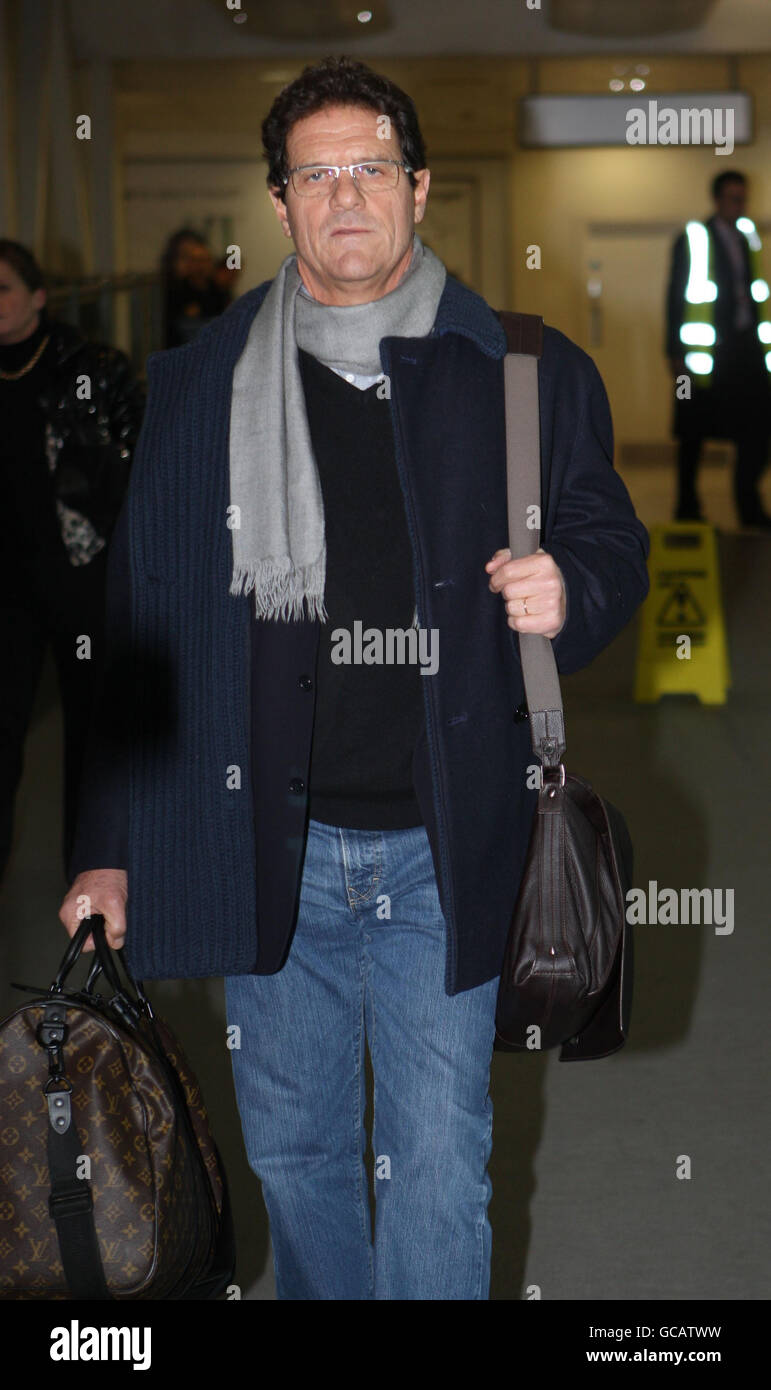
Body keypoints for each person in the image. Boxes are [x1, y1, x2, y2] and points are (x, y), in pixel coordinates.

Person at [59, 56, 649, 1300]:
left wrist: (574, 587)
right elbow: (138, 630)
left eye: (370, 167)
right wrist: (105, 848)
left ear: (418, 187)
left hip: (449, 837)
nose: (344, 195)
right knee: (298, 1155)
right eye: (315, 174)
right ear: (280, 203)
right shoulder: (200, 387)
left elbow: (610, 538)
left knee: (438, 1161)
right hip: (263, 846)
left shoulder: (523, 369)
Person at [0, 240, 144, 881]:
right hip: (7, 592)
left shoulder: (92, 368)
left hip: (80, 578)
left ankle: (89, 880)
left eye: (3, 288)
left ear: (38, 297)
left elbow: (136, 463)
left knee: (91, 740)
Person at [665, 169, 771, 527]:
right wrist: (674, 353)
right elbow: (674, 296)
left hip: (745, 350)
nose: (739, 205)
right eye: (733, 198)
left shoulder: (748, 238)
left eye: (743, 198)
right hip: (702, 356)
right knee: (692, 433)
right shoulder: (694, 238)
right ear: (717, 199)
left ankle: (749, 507)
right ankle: (687, 509)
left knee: (758, 427)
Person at [160, 228, 230, 348]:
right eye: (196, 261)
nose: (201, 266)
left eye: (205, 260)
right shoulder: (177, 291)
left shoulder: (218, 291)